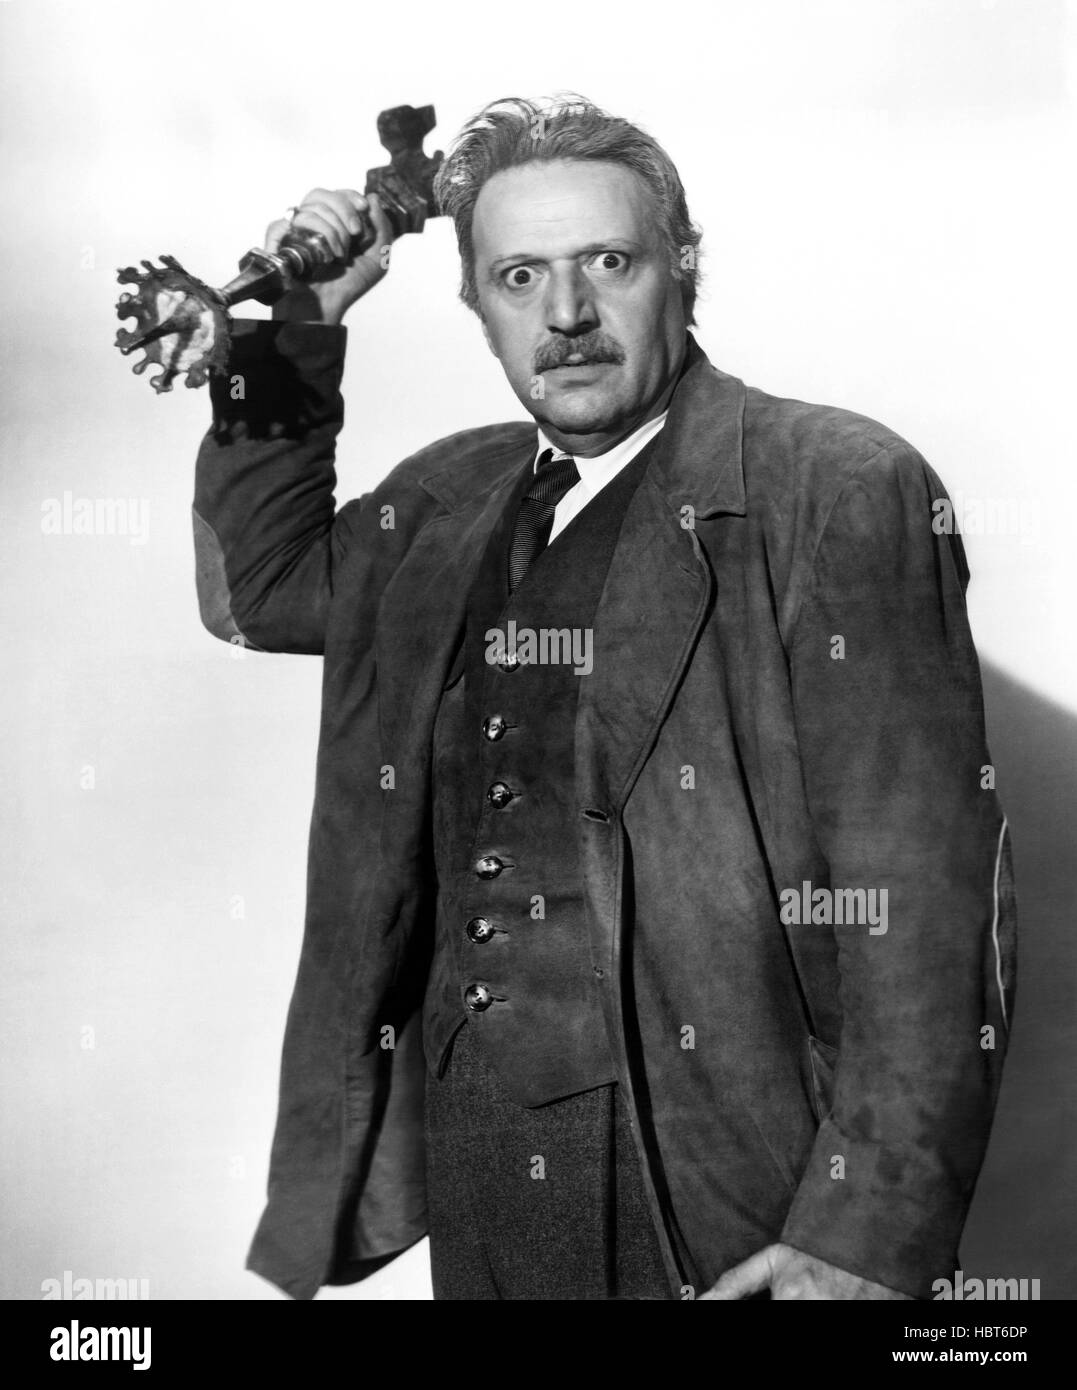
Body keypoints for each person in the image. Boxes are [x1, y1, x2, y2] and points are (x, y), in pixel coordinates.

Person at [192, 96, 1016, 1301]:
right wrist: (292, 330)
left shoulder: (834, 486)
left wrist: (868, 1235)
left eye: (608, 264)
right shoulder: (442, 502)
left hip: (721, 1184)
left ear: (684, 267)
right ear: (474, 303)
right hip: (476, 1164)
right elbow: (257, 591)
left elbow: (922, 901)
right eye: (519, 276)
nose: (565, 315)